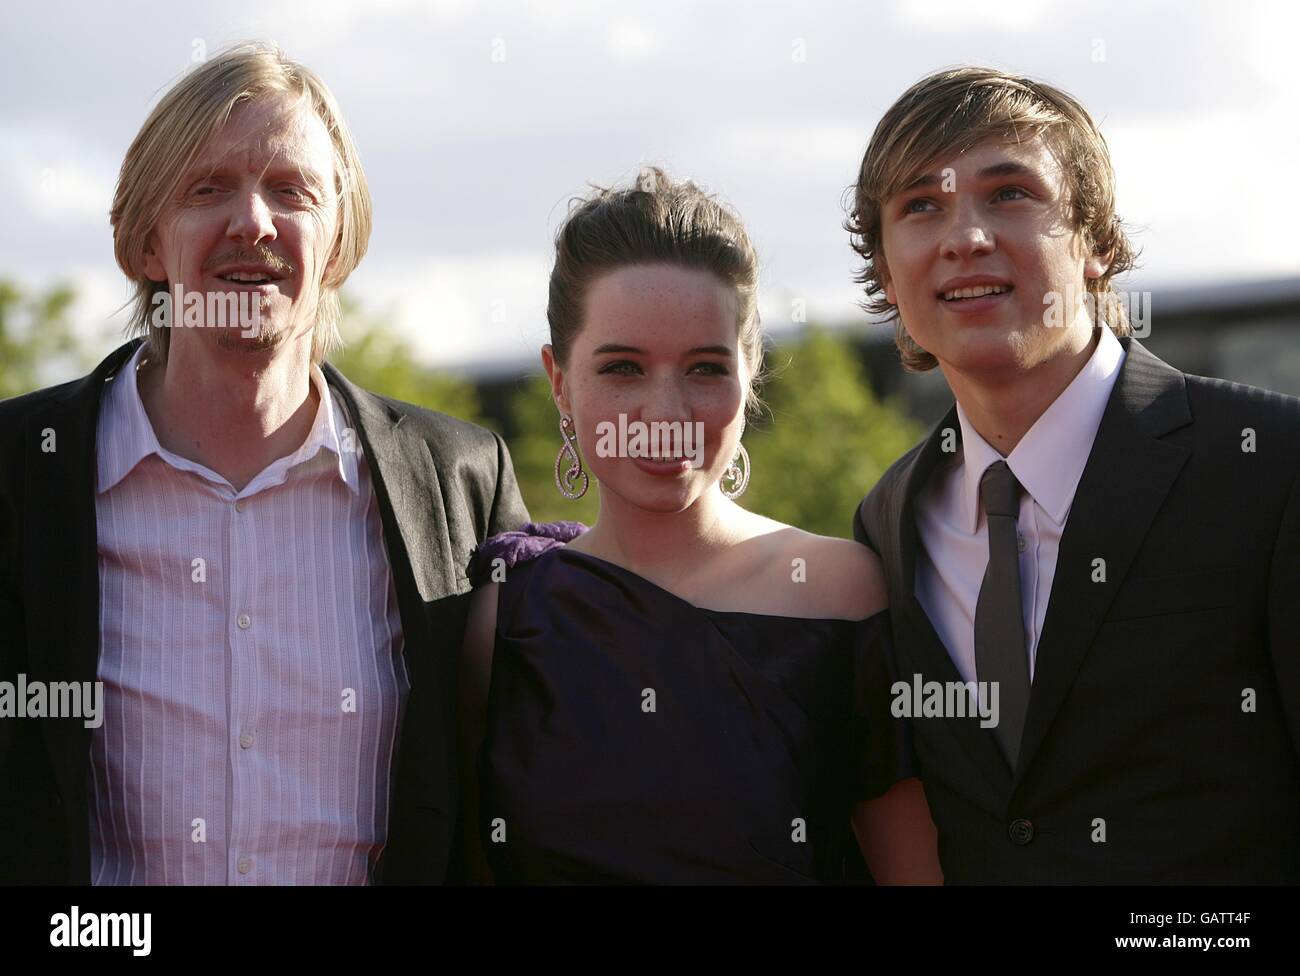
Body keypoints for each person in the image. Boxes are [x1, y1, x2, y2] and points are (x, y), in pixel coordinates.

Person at [0, 42, 528, 885]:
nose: (253, 221)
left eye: (292, 191)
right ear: (143, 244)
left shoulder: (457, 479)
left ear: (339, 245)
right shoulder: (19, 475)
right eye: (208, 188)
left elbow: (533, 789)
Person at [847, 66, 1300, 883]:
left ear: (1097, 242)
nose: (965, 237)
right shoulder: (885, 523)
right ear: (884, 271)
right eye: (920, 206)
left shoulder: (1273, 464)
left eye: (1010, 193)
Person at [455, 167, 942, 884]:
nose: (665, 414)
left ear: (751, 373)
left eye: (705, 369)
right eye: (622, 368)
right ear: (559, 380)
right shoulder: (505, 617)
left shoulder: (839, 592)